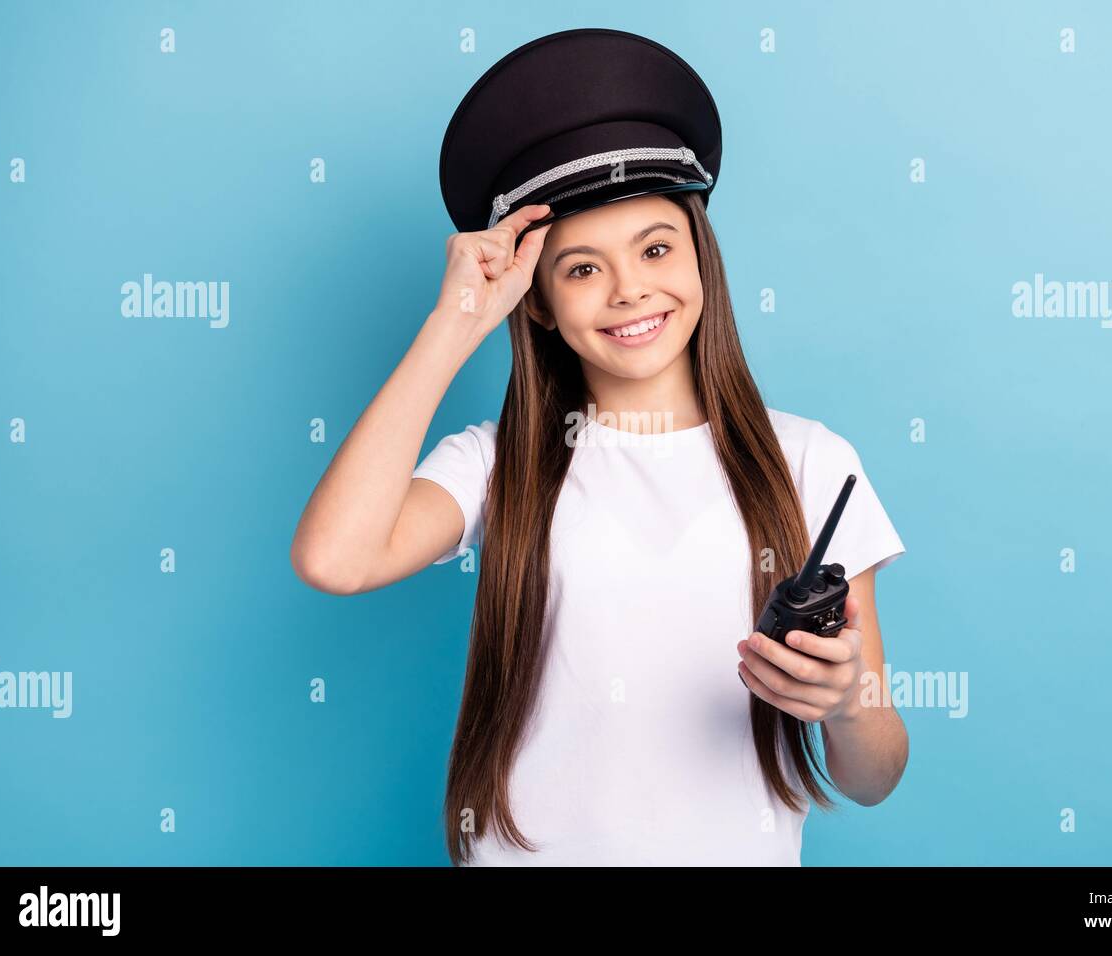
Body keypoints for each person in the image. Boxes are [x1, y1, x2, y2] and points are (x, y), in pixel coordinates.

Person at [290, 29, 907, 866]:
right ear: (537, 303)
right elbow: (336, 558)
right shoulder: (498, 463)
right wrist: (455, 324)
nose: (629, 290)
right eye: (582, 269)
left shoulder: (810, 462)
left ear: (700, 257)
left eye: (655, 248)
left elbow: (875, 777)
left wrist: (842, 704)